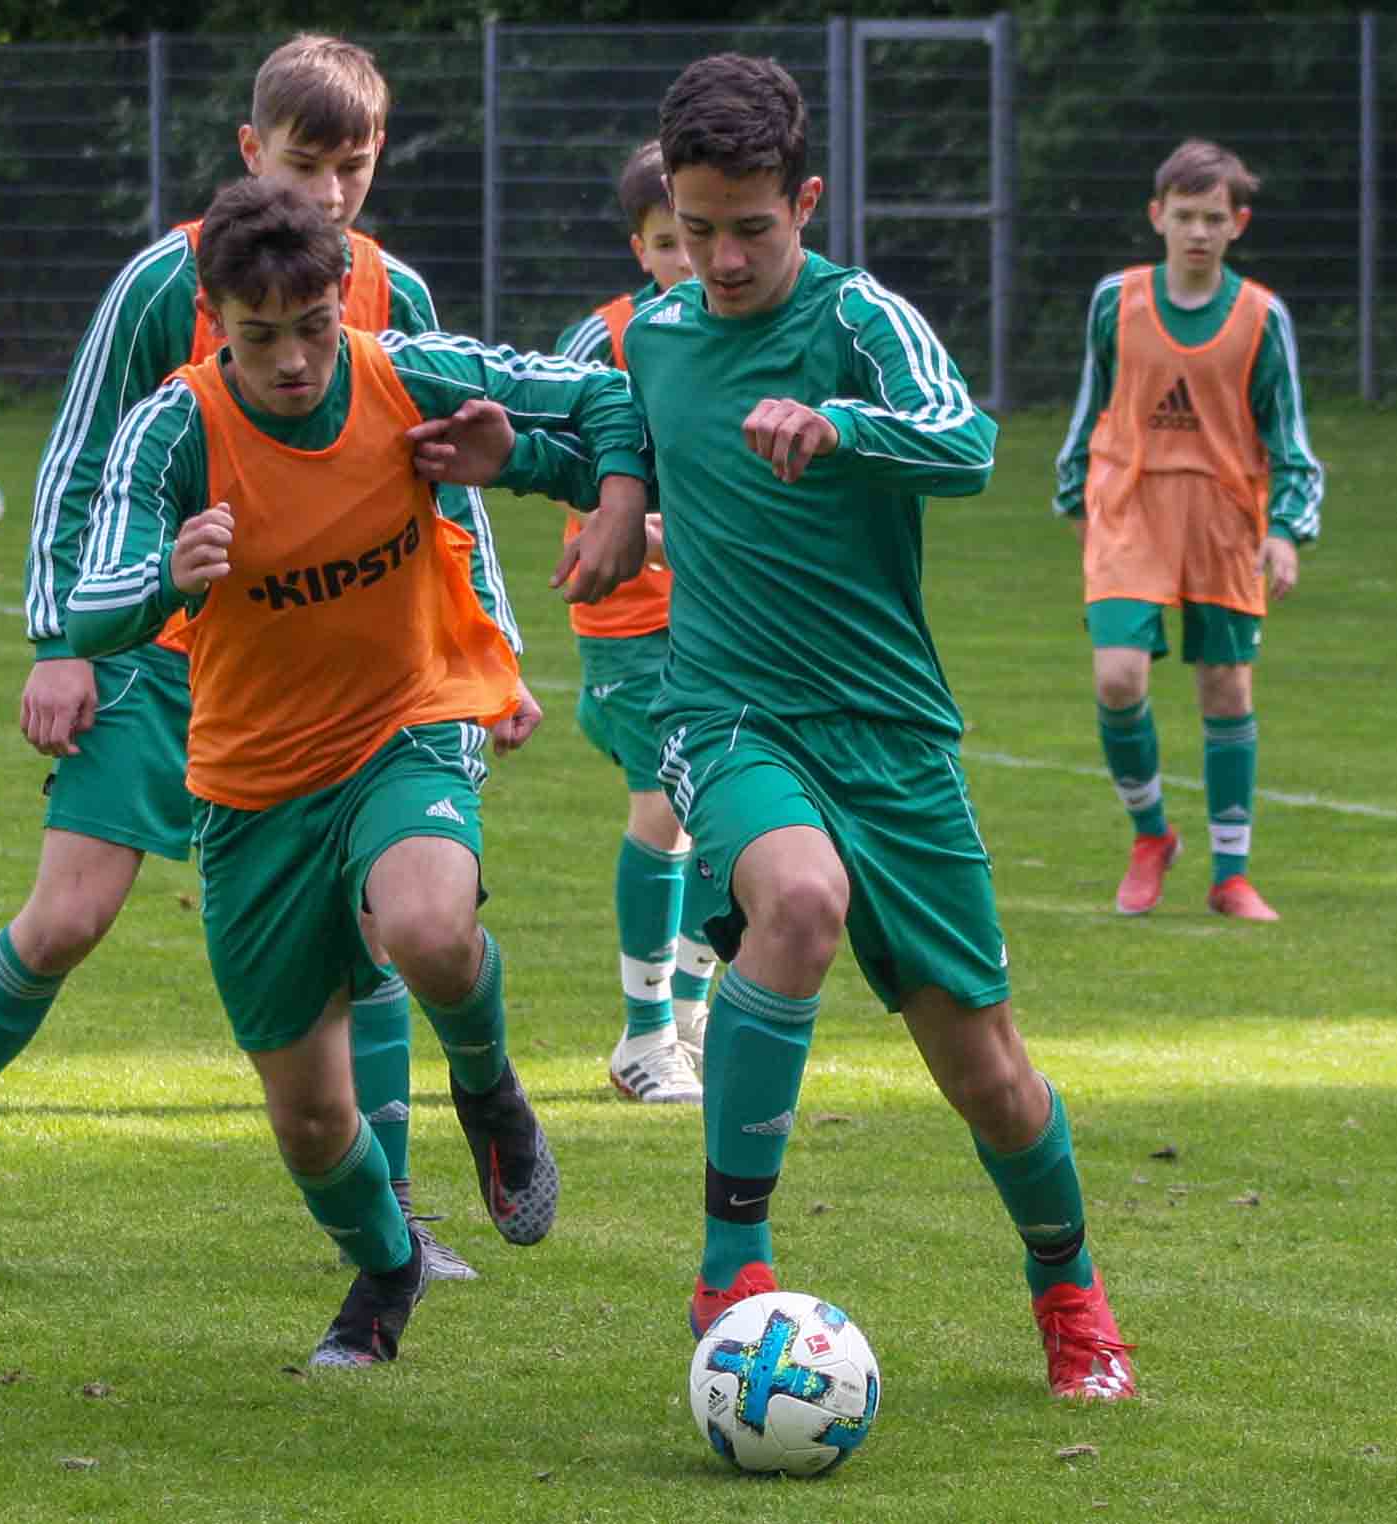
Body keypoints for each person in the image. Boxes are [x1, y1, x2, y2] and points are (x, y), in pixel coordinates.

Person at [0, 35, 552, 1282]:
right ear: (249, 150)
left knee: (377, 920)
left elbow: (448, 493)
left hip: (338, 666)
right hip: (158, 651)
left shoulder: (397, 296)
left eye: (351, 166)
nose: (325, 194)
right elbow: (81, 460)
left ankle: (398, 1220)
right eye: (303, 161)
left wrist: (495, 653)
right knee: (65, 919)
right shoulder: (173, 279)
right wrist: (63, 645)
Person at [61, 176, 649, 1365]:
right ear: (217, 319)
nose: (290, 359)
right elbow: (91, 601)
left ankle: (485, 1090)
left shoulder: (404, 372)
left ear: (345, 299)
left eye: (311, 326)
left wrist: (601, 492)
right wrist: (167, 579)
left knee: (429, 928)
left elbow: (604, 393)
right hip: (250, 788)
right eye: (257, 334)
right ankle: (385, 1271)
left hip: (408, 724)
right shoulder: (171, 428)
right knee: (310, 1115)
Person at [623, 53, 1135, 1400]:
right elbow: (606, 416)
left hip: (892, 740)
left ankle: (1068, 1290)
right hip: (731, 716)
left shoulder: (862, 321)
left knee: (992, 1075)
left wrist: (838, 426)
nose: (720, 259)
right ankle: (734, 1255)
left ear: (807, 200)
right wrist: (613, 487)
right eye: (694, 228)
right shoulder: (655, 334)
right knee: (797, 898)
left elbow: (964, 441)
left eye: (750, 228)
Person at [1052, 139, 1322, 923]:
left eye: (1213, 218)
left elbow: (1288, 435)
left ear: (1236, 224)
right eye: (1183, 217)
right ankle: (1150, 835)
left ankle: (1229, 874)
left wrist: (1284, 531)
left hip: (1222, 515)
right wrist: (1078, 498)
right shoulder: (1116, 300)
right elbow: (1089, 405)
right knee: (1117, 677)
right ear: (1156, 217)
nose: (1197, 232)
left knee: (1224, 687)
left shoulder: (1260, 317)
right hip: (1128, 504)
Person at [553, 140, 717, 1106]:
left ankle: (690, 1014)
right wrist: (624, 514)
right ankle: (644, 1034)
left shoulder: (748, 330)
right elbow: (548, 441)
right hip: (628, 620)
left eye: (697, 235)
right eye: (668, 243)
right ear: (640, 247)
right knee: (663, 812)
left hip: (727, 620)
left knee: (728, 821)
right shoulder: (604, 337)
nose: (687, 263)